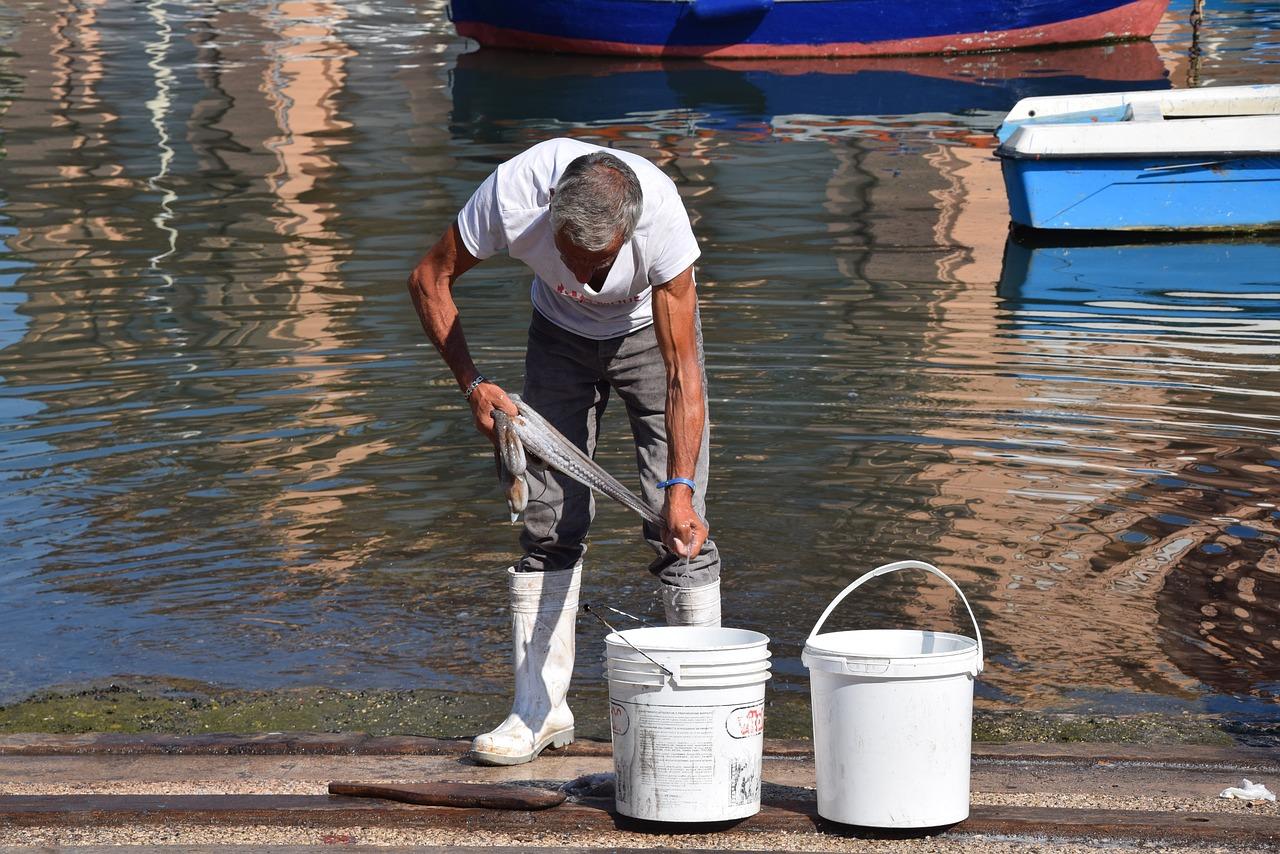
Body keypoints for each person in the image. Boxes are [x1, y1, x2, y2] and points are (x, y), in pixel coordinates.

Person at [407, 138, 721, 766]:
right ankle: (539, 711)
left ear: (629, 230)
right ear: (549, 217)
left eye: (601, 262)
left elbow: (684, 371)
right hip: (557, 338)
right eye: (575, 260)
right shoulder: (511, 195)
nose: (589, 279)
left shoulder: (661, 217)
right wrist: (472, 383)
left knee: (679, 528)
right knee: (549, 523)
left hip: (645, 339)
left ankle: (704, 706)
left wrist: (681, 485)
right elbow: (428, 278)